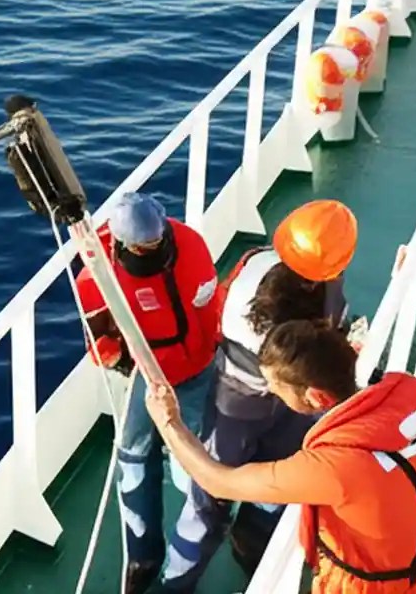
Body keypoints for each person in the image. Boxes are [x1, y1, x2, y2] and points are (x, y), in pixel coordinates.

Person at [145, 319, 416, 594]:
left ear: (316, 397)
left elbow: (218, 481)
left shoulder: (335, 466)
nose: (269, 392)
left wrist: (168, 422)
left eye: (275, 387)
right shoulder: (410, 392)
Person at [164, 200, 359, 591]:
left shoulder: (255, 263)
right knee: (267, 485)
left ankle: (178, 581)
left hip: (244, 402)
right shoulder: (311, 309)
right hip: (280, 404)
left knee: (211, 499)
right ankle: (246, 552)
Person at [76, 191, 222, 594]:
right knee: (133, 458)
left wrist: (208, 356)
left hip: (196, 372)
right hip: (147, 373)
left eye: (156, 242)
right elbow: (99, 338)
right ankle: (143, 556)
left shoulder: (189, 246)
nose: (152, 250)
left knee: (194, 471)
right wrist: (119, 359)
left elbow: (210, 312)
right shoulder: (97, 273)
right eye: (142, 246)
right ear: (122, 243)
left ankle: (187, 560)